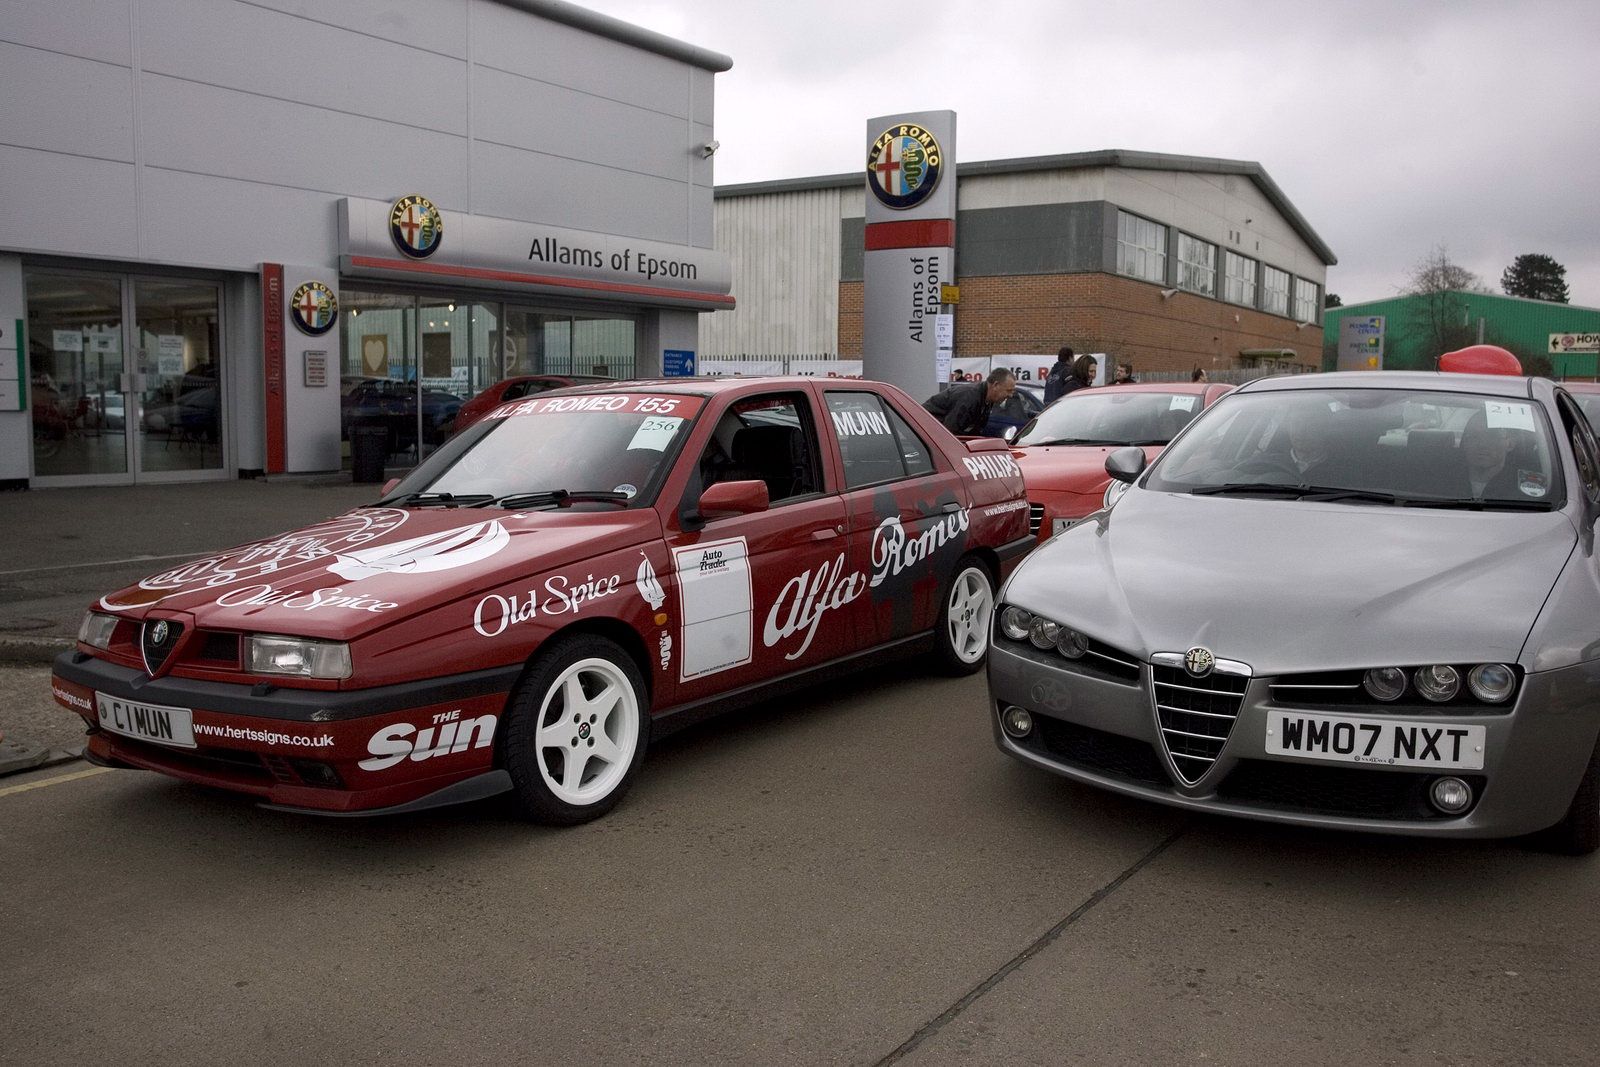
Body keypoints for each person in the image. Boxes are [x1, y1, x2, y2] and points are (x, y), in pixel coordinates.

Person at [924, 368, 1016, 436]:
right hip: (922, 431)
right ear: (996, 385)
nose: (1011, 395)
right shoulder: (969, 398)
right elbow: (950, 433)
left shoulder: (987, 399)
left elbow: (975, 432)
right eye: (1008, 391)